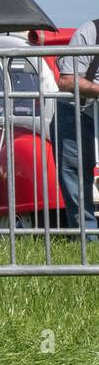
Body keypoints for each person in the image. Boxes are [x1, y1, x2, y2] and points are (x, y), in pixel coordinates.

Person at [55, 18, 99, 233]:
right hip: (76, 111)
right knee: (77, 175)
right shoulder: (89, 32)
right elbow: (65, 81)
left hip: (93, 110)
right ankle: (87, 240)